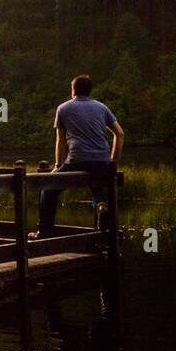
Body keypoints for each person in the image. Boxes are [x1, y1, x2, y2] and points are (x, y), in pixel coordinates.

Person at [32, 74, 123, 238]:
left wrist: (58, 165)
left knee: (48, 189)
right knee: (95, 181)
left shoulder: (63, 108)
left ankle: (43, 232)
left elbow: (60, 140)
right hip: (101, 160)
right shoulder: (102, 107)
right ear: (89, 90)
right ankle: (101, 206)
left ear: (73, 90)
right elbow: (120, 134)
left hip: (78, 159)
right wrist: (112, 161)